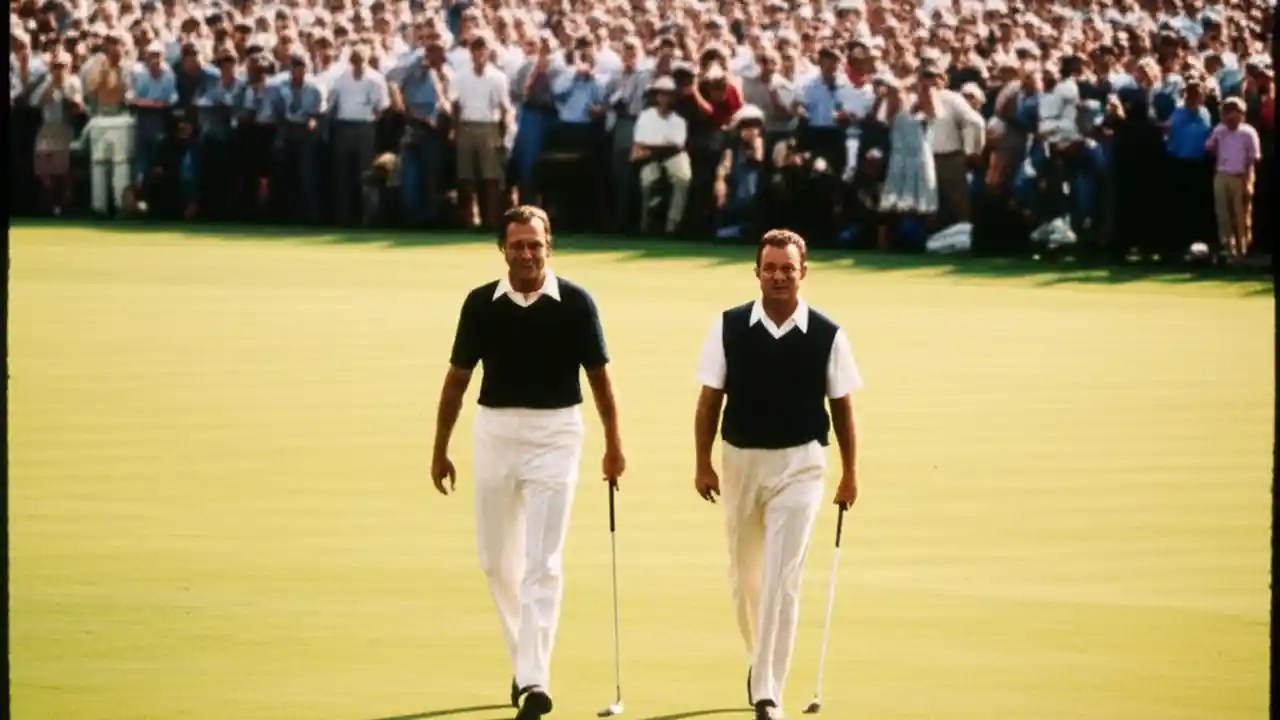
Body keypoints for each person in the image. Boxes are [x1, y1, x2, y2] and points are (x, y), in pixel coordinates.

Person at [430, 205, 626, 720]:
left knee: (543, 563)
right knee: (497, 562)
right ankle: (525, 661)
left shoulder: (577, 303)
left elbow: (600, 380)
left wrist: (614, 444)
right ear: (503, 248)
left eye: (535, 244)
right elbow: (457, 379)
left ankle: (536, 680)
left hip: (557, 433)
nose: (526, 253)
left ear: (549, 245)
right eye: (516, 244)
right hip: (494, 431)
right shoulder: (480, 304)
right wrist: (440, 448)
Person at [692, 229, 862, 720]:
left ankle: (768, 690)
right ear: (757, 272)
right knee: (746, 578)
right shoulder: (729, 326)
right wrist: (702, 463)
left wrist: (850, 473)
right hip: (741, 460)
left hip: (802, 463)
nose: (779, 276)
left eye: (788, 268)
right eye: (771, 268)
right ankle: (756, 659)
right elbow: (708, 402)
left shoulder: (828, 334)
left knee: (781, 579)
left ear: (803, 272)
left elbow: (843, 408)